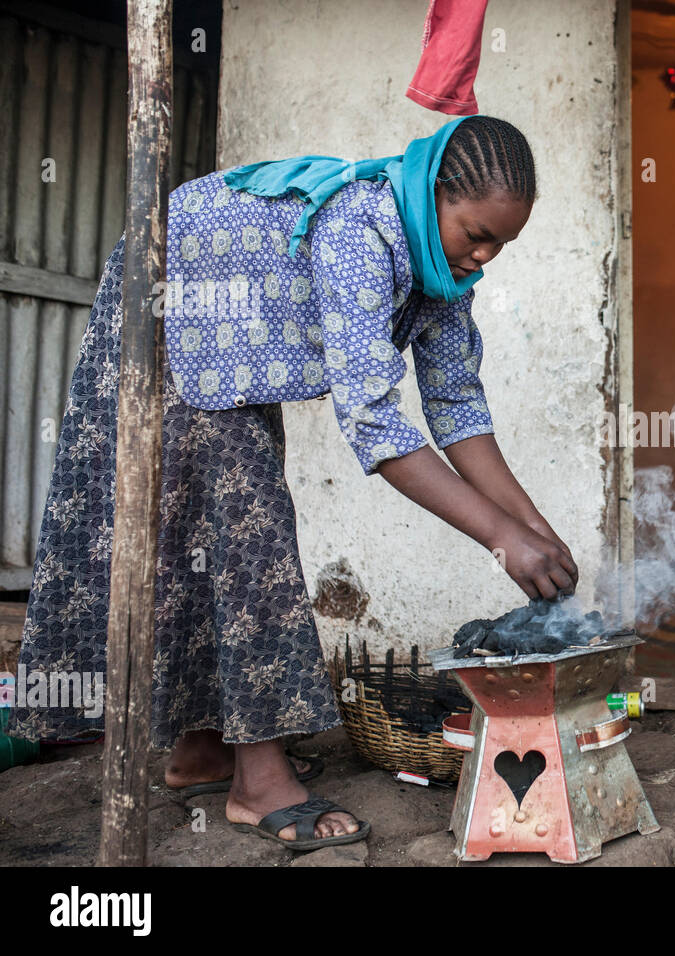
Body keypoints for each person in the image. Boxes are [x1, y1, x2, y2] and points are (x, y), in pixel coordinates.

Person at [9, 114, 577, 851]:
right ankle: (260, 784)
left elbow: (457, 408)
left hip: (232, 354)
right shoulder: (361, 231)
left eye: (502, 243)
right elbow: (374, 421)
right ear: (434, 191)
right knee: (251, 541)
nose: (485, 255)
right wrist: (500, 538)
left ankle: (201, 753)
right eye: (477, 232)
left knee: (210, 541)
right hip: (171, 307)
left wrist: (532, 532)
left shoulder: (444, 269)